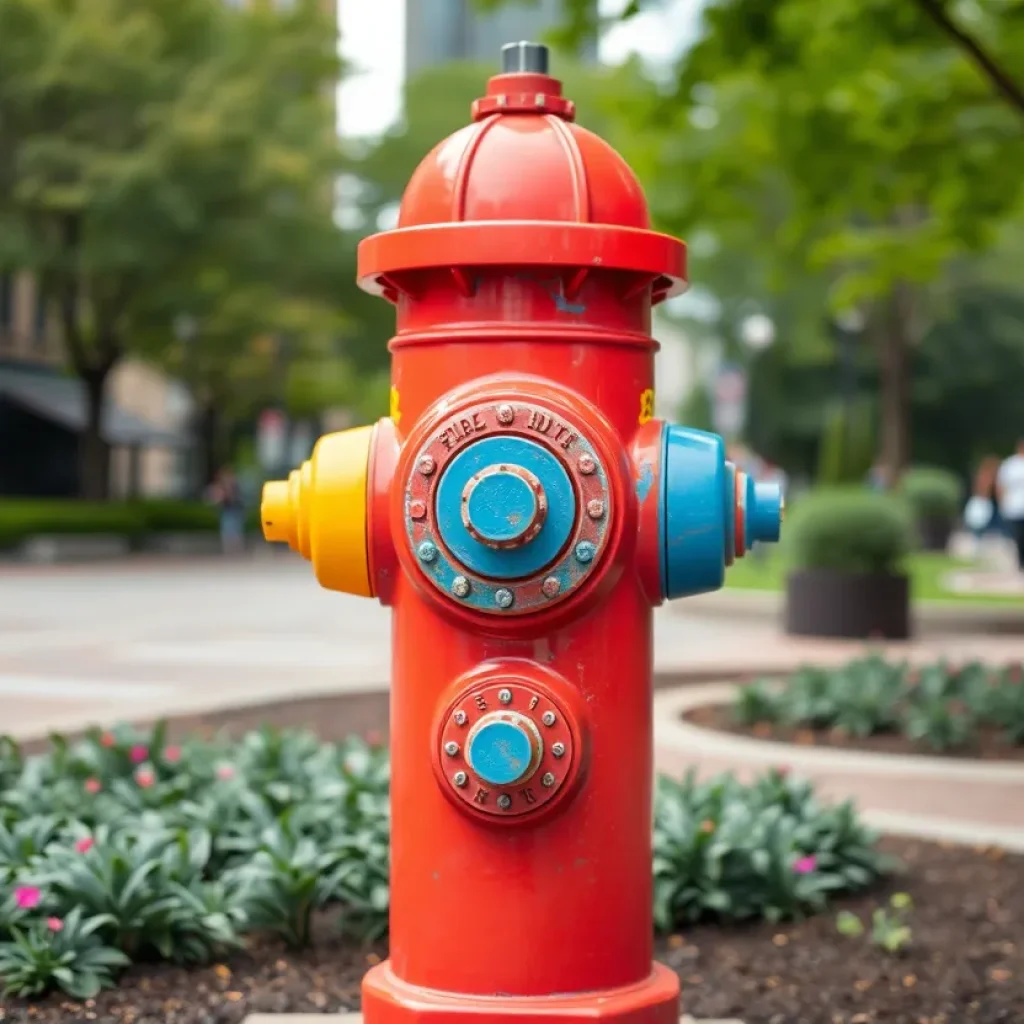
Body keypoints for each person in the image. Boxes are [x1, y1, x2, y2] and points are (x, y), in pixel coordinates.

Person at [996, 441, 1024, 571]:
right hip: (1015, 506)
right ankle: (1020, 561)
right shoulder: (1010, 465)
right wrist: (1002, 502)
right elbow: (1001, 485)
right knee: (1018, 536)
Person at [208, 466, 246, 555]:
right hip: (228, 510)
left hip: (234, 510)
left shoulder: (234, 485)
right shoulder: (224, 486)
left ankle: (235, 549)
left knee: (234, 529)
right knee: (228, 530)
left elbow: (236, 498)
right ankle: (230, 549)